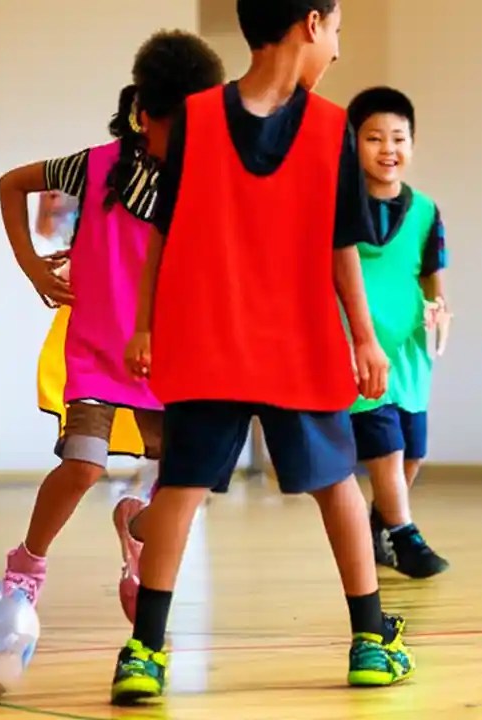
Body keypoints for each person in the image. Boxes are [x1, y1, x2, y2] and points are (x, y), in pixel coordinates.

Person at [110, 0, 412, 705]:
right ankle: (369, 640)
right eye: (336, 31)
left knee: (181, 488)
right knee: (337, 481)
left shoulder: (200, 118)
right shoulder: (325, 126)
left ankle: (144, 651)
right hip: (287, 340)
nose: (336, 49)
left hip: (215, 338)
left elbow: (161, 234)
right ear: (310, 24)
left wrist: (147, 323)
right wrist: (361, 338)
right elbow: (344, 250)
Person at [0, 30, 225, 623]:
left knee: (187, 475)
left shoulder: (200, 183)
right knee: (83, 465)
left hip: (164, 350)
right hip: (98, 349)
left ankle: (140, 530)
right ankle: (26, 568)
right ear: (145, 117)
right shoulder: (92, 167)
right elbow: (11, 183)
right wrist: (31, 268)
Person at [345, 85, 451, 578]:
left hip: (409, 348)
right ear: (352, 143)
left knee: (413, 450)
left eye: (399, 138)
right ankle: (406, 536)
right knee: (383, 437)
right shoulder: (338, 204)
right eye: (374, 138)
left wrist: (439, 307)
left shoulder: (426, 210)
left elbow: (433, 272)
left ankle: (380, 521)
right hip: (358, 341)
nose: (388, 149)